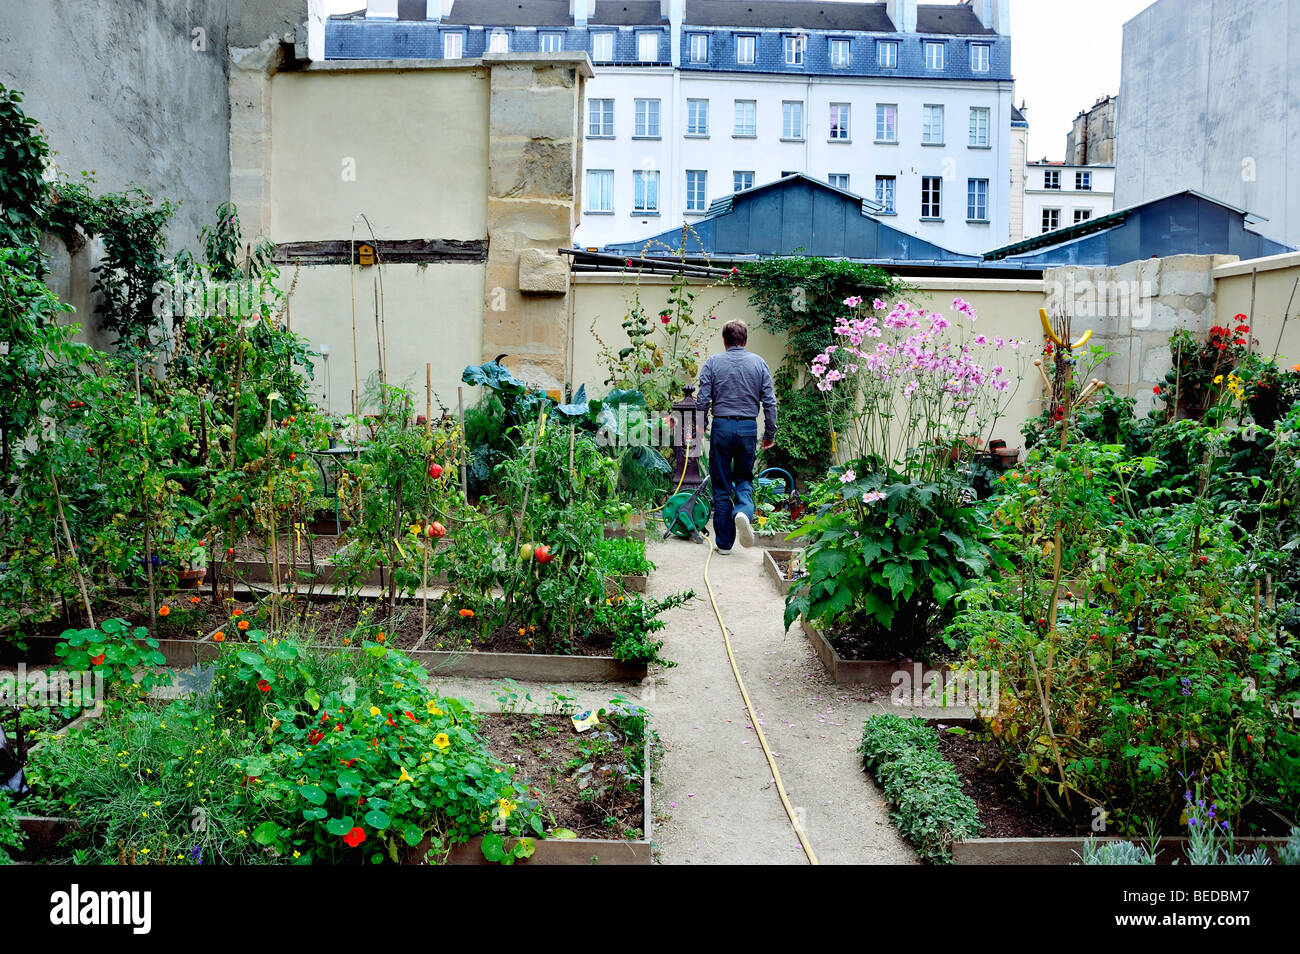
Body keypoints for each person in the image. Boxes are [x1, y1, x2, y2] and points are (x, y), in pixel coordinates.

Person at [695, 319, 777, 553]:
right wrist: (769, 433)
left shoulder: (713, 363)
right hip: (748, 428)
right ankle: (743, 511)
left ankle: (723, 544)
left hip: (721, 426)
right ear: (745, 341)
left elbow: (702, 400)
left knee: (720, 484)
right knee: (743, 478)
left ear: (724, 341)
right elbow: (770, 402)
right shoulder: (759, 363)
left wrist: (701, 427)